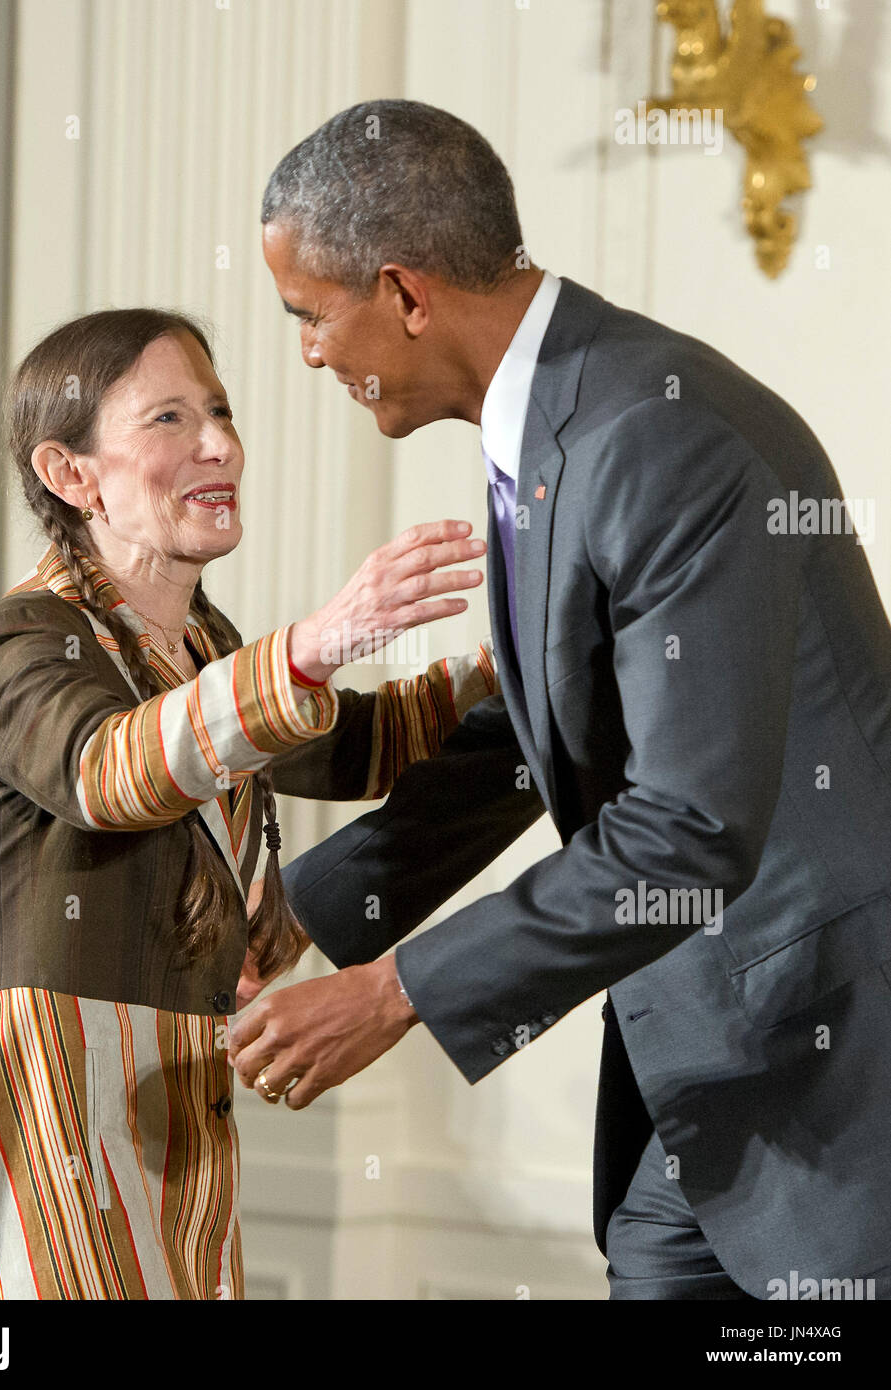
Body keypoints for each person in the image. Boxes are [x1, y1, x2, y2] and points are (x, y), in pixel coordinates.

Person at [229, 99, 891, 1300]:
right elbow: (535, 739)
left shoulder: (653, 437)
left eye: (310, 318)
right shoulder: (563, 413)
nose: (313, 354)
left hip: (826, 1067)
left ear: (405, 294)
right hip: (716, 1054)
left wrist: (393, 994)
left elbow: (687, 827)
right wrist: (316, 912)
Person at [0, 305, 496, 1300]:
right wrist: (315, 641)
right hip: (56, 1130)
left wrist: (506, 670)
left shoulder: (204, 647)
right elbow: (108, 771)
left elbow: (358, 744)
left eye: (218, 411)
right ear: (72, 475)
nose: (220, 444)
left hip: (176, 1131)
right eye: (168, 420)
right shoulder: (22, 637)